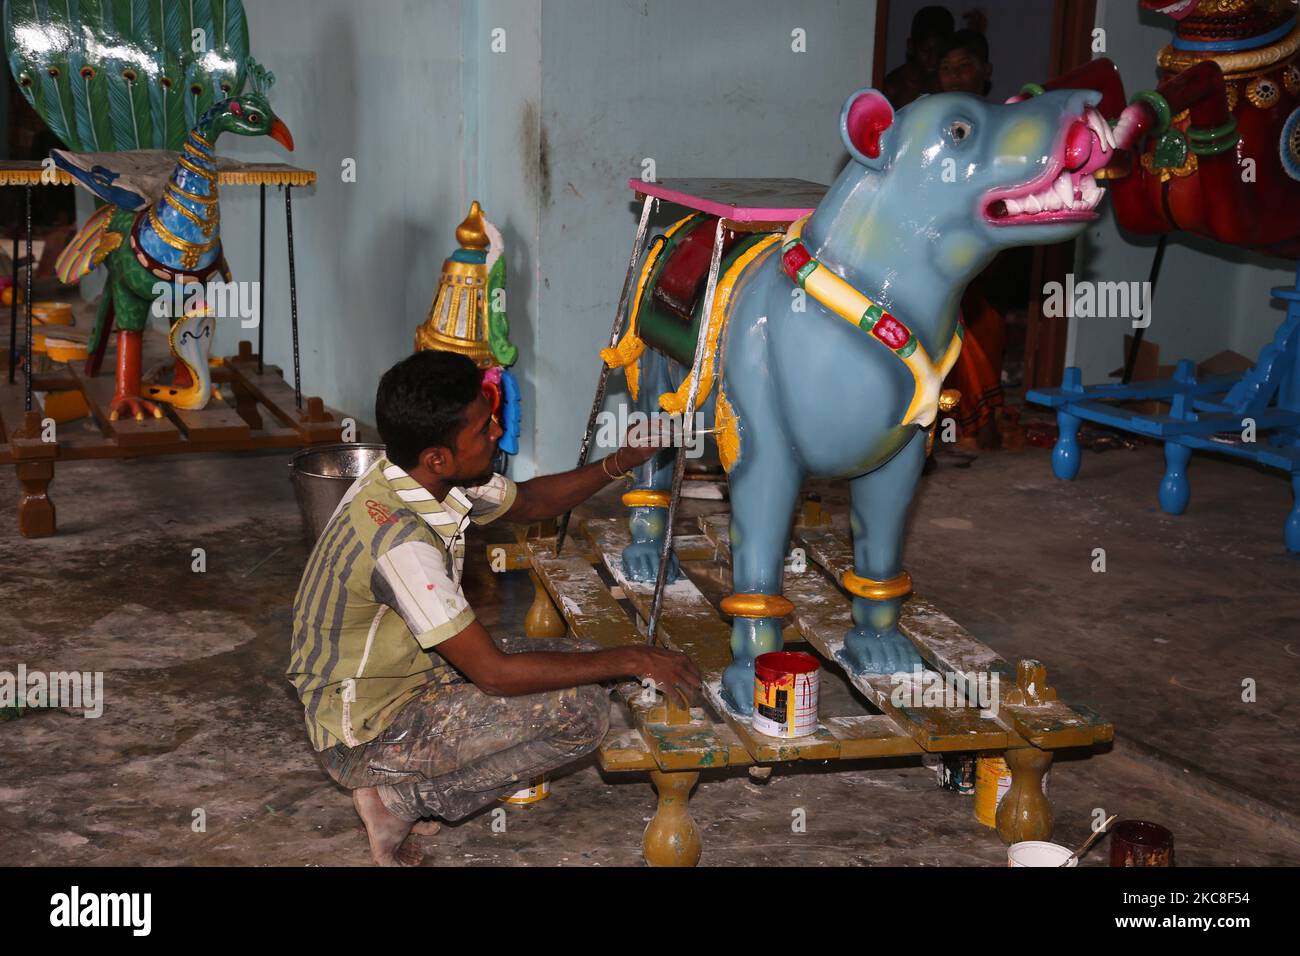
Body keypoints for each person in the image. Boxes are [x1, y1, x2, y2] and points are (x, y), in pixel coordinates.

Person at [288, 349, 701, 865]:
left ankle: (399, 790)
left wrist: (623, 461)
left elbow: (530, 502)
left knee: (587, 658)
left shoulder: (422, 476)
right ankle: (397, 799)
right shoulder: (401, 545)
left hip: (407, 673)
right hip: (365, 730)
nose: (496, 432)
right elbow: (496, 675)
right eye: (484, 428)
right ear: (439, 455)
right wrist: (637, 658)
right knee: (579, 710)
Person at [882, 6, 955, 108]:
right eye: (925, 50)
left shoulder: (949, 83)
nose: (933, 59)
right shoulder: (894, 88)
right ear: (911, 46)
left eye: (940, 51)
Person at [937, 28, 993, 97]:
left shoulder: (1004, 107)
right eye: (946, 68)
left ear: (986, 70)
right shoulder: (927, 107)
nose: (954, 74)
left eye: (963, 65)